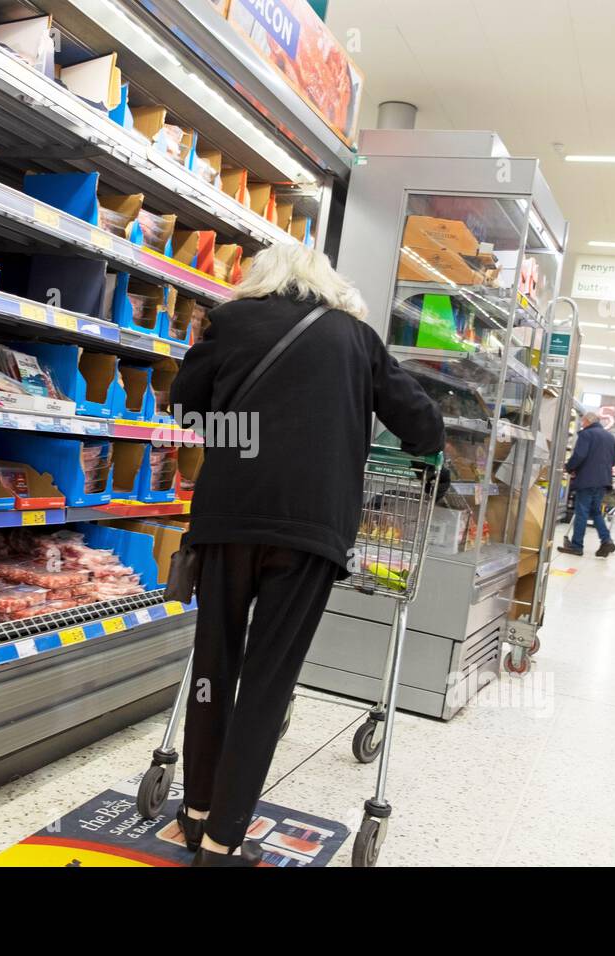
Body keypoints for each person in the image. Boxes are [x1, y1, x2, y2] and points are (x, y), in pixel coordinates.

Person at [168, 243, 445, 866]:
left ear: (260, 279)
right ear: (327, 284)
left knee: (213, 668)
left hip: (227, 519)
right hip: (310, 529)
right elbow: (424, 428)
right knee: (268, 682)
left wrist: (241, 429)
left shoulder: (230, 321)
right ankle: (222, 840)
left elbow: (184, 409)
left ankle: (196, 810)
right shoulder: (357, 338)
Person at [559, 412, 615, 557]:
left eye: (582, 421)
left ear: (587, 421)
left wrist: (569, 468)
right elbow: (613, 460)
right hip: (603, 480)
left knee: (582, 512)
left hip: (587, 480)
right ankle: (606, 540)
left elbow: (579, 455)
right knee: (596, 511)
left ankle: (577, 546)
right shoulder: (610, 437)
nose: (581, 424)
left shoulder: (586, 434)